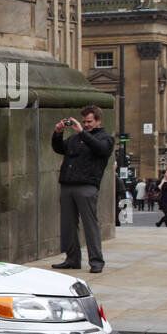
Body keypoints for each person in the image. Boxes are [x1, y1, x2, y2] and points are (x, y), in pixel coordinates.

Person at [51, 105, 115, 273]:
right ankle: (72, 259)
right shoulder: (75, 139)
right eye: (84, 122)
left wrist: (82, 133)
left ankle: (96, 261)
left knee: (90, 225)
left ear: (98, 121)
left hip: (87, 185)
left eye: (90, 121)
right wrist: (58, 133)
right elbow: (59, 148)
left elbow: (100, 149)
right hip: (67, 184)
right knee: (68, 224)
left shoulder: (105, 138)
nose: (86, 124)